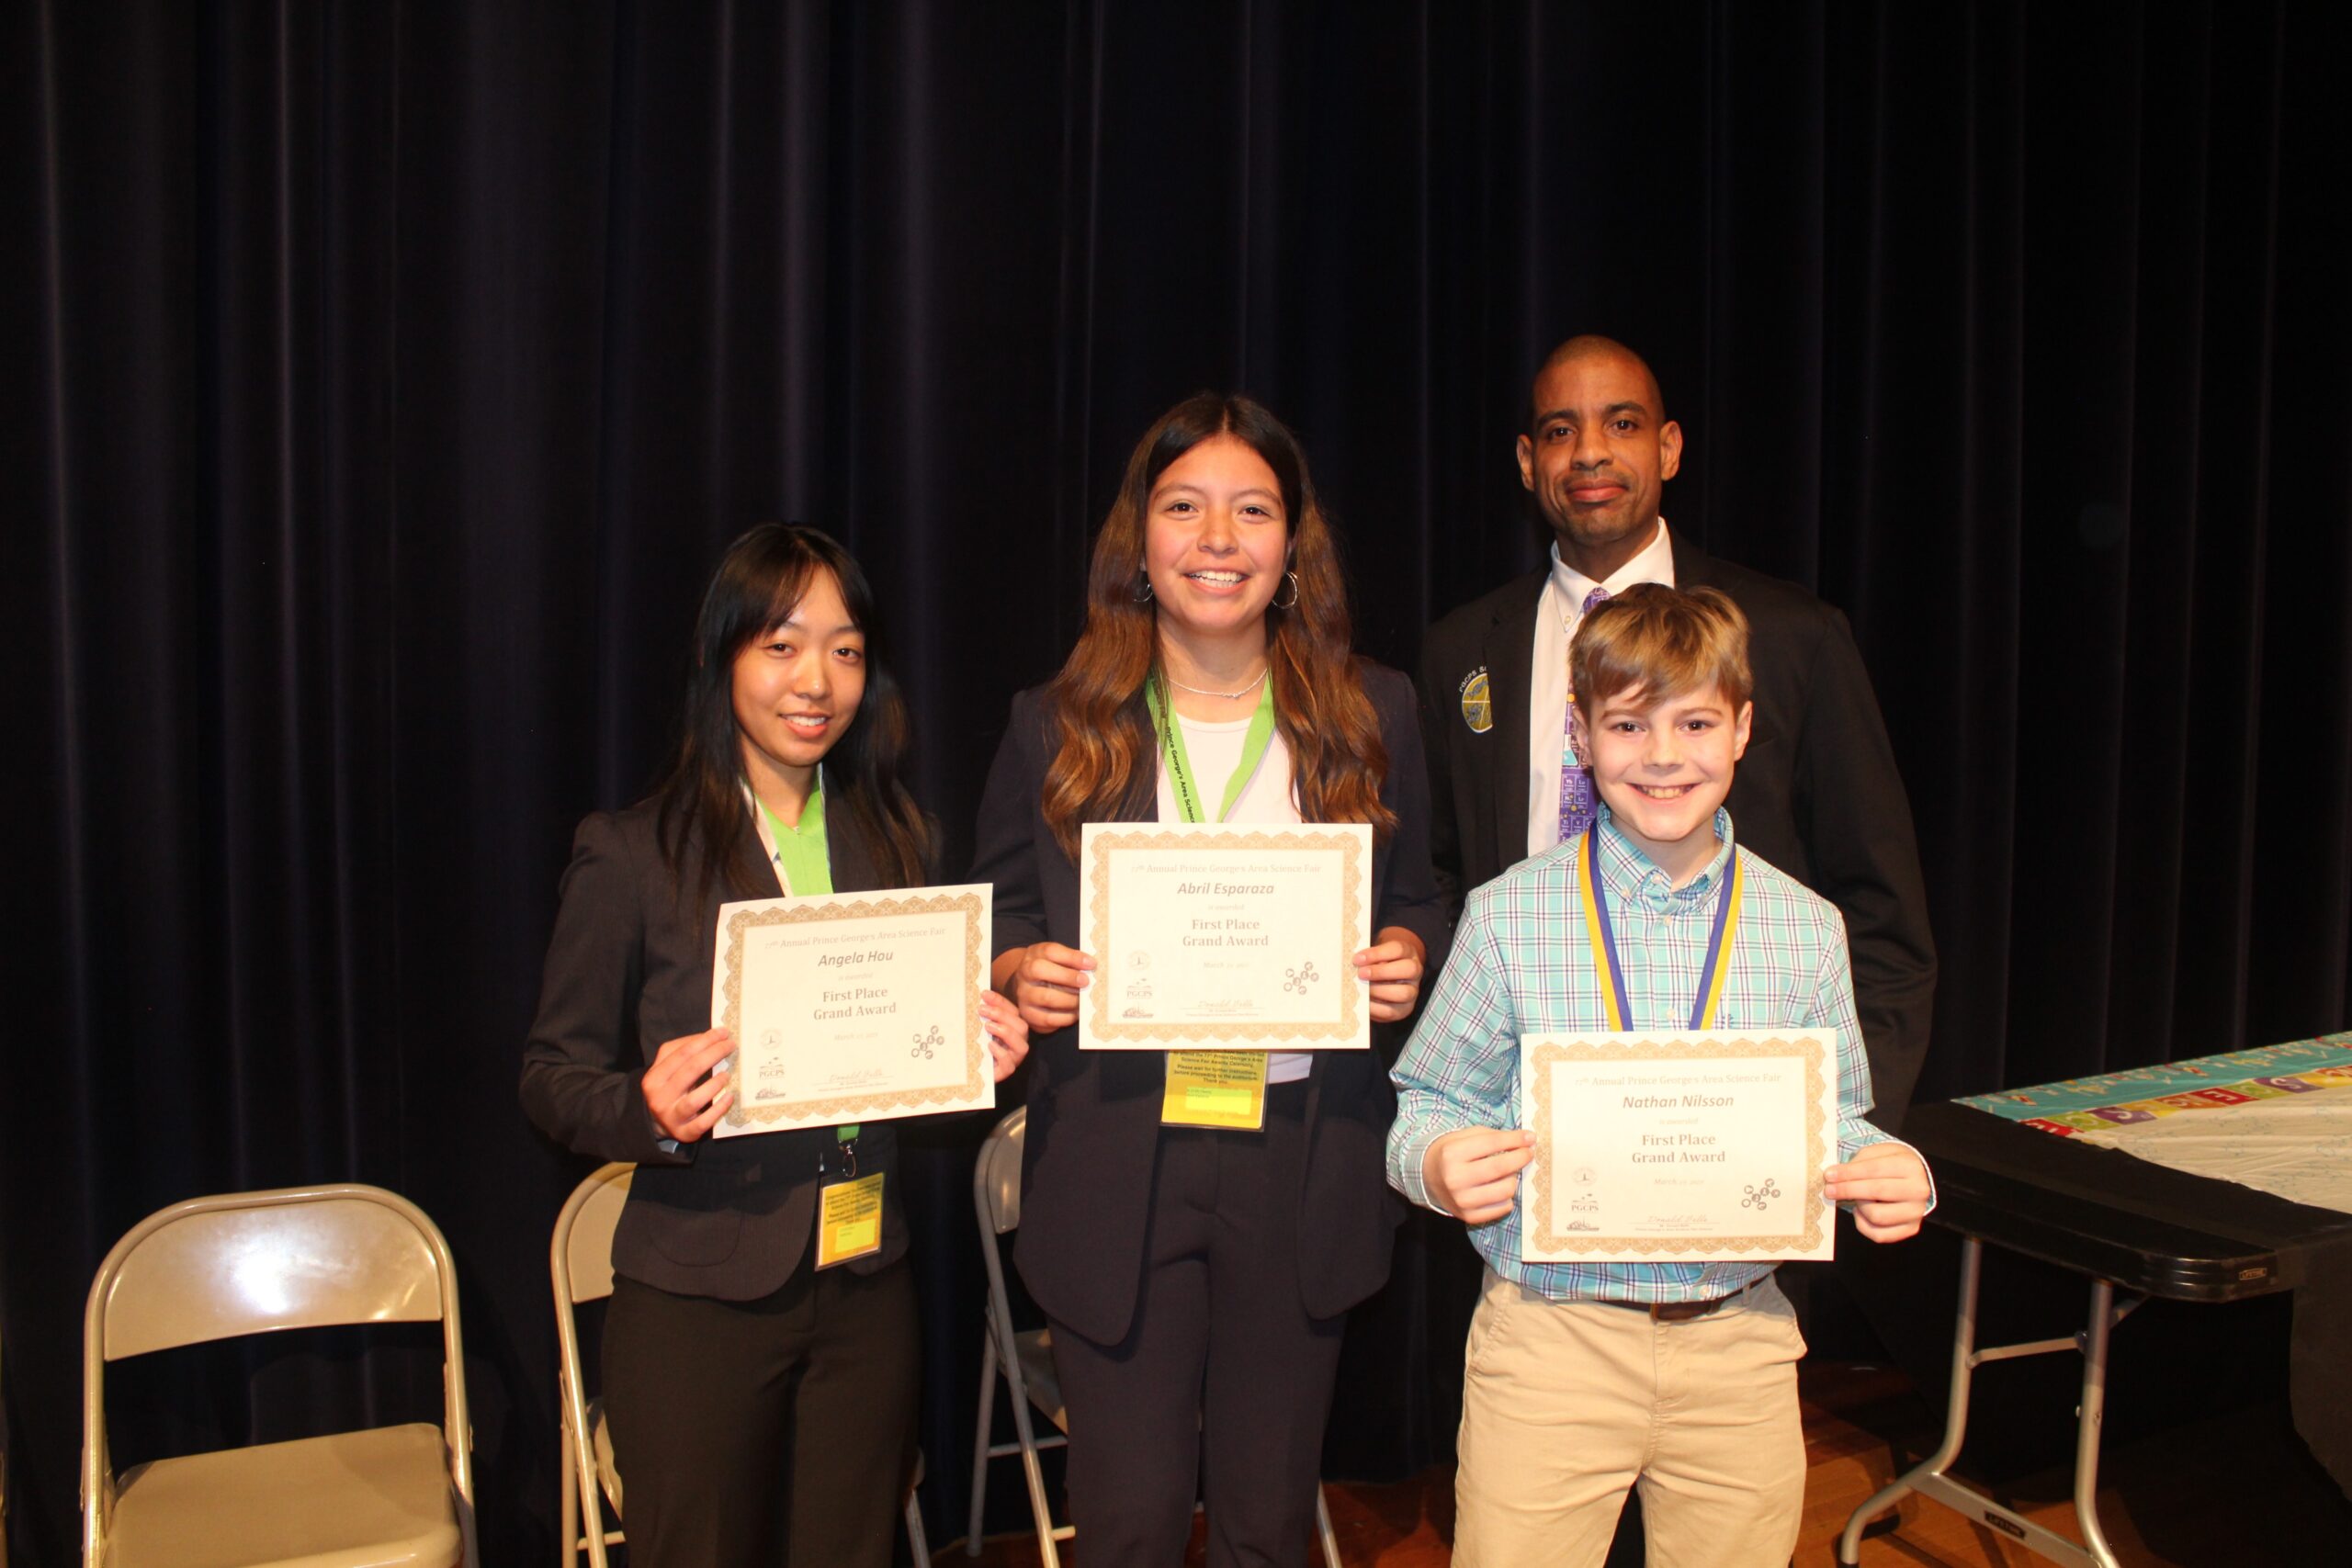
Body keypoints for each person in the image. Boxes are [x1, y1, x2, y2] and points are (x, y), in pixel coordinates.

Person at [969, 392, 1449, 1566]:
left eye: (1251, 510)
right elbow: (998, 916)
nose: (1218, 539)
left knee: (1264, 1522)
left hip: (1302, 1152)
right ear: (1140, 540)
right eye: (1184, 508)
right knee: (1125, 1525)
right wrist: (1019, 966)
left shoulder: (1371, 709)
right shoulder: (1058, 721)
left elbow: (1423, 893)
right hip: (1119, 1148)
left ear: (1293, 547)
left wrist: (1410, 957)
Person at [1388, 582, 1934, 1567]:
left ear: (1743, 729)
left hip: (1741, 1347)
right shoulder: (1510, 915)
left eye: (1694, 721)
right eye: (1628, 724)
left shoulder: (1804, 926)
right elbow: (1426, 1102)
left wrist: (1890, 1167)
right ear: (1581, 735)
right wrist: (1435, 1163)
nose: (1664, 755)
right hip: (1550, 1345)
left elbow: (1835, 1121)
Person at [520, 524, 1029, 1568]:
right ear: (723, 659)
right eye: (783, 644)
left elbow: (915, 1068)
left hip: (865, 1281)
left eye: (845, 650)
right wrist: (643, 1107)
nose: (818, 681)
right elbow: (551, 1077)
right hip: (697, 1296)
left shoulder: (900, 841)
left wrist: (977, 1048)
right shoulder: (630, 851)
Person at [1419, 334, 1936, 1125]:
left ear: (1668, 448)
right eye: (1560, 431)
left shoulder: (1794, 635)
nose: (1589, 452)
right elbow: (1443, 875)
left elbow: (1882, 914)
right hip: (1526, 1129)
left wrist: (1840, 1135)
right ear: (1527, 462)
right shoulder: (1461, 648)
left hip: (1734, 1128)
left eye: (1621, 425)